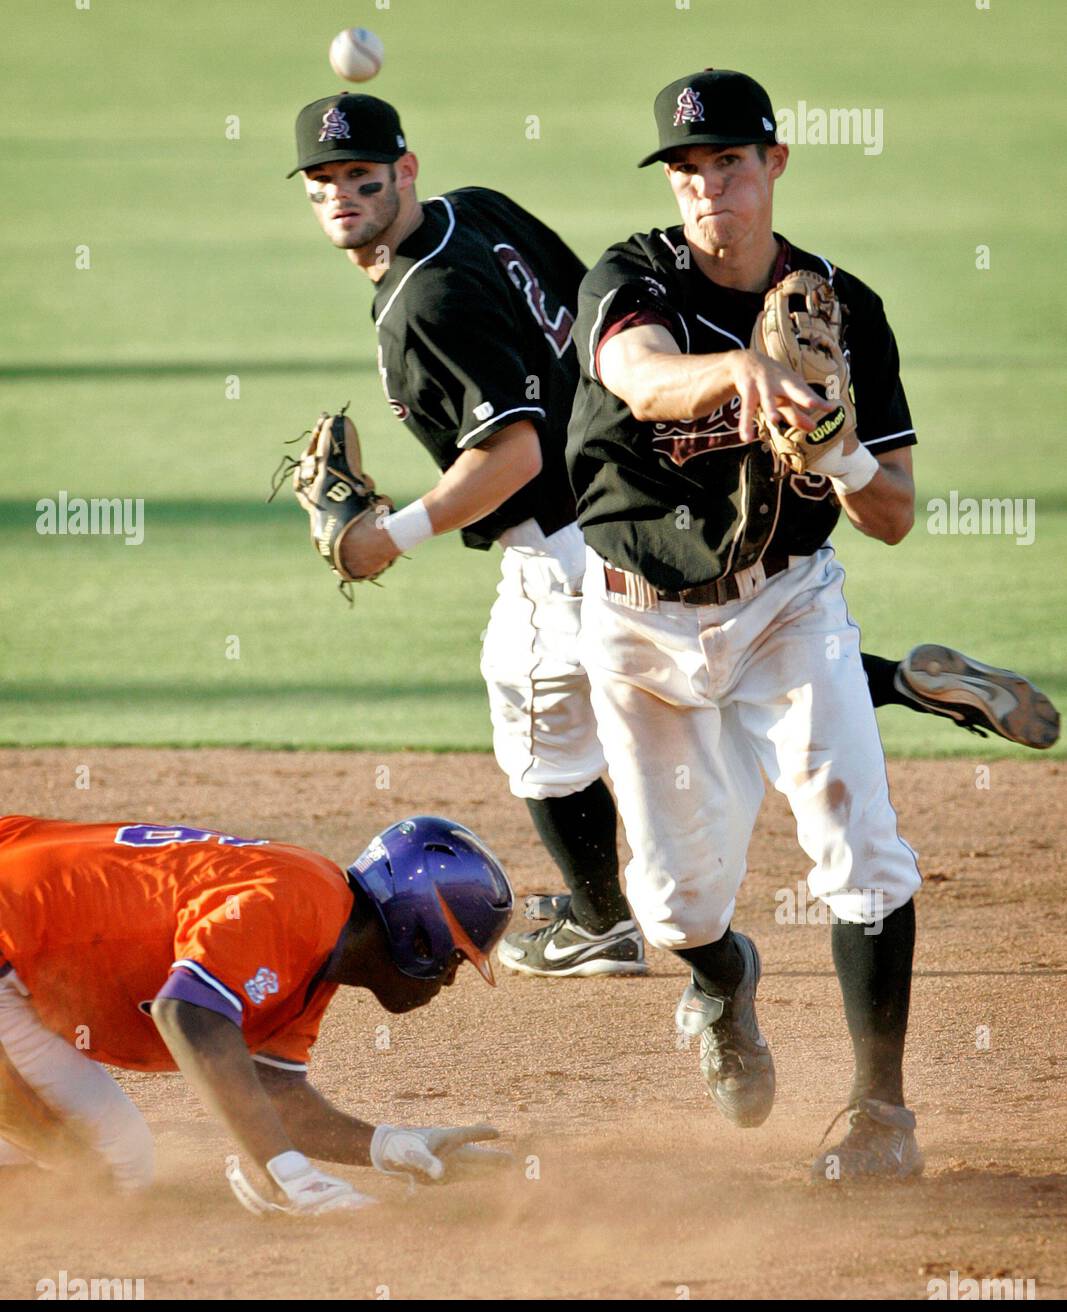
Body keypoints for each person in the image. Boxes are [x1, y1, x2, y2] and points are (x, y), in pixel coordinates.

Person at [289, 92, 1059, 983]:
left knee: (538, 736)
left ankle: (598, 924)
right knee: (732, 685)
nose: (343, 196)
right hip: (634, 502)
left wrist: (394, 535)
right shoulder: (481, 212)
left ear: (403, 171)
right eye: (323, 184)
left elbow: (515, 451)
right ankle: (881, 683)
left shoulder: (420, 303)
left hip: (580, 540)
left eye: (361, 177)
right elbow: (603, 332)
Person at [566, 66, 938, 1180]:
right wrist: (744, 373)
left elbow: (892, 515)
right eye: (685, 166)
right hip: (635, 626)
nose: (704, 185)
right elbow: (636, 380)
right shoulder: (631, 276)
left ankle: (882, 1117)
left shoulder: (842, 309)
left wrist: (840, 452)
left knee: (859, 851)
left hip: (786, 605)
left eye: (726, 159)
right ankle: (722, 982)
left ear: (773, 163)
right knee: (672, 902)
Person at [0, 813, 512, 1213]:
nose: (448, 980)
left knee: (91, 1161)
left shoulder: (322, 944)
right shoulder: (297, 907)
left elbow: (276, 1098)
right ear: (421, 938)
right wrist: (288, 1177)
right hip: (9, 934)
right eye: (456, 959)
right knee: (110, 1167)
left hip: (17, 945)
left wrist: (387, 1146)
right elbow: (185, 1013)